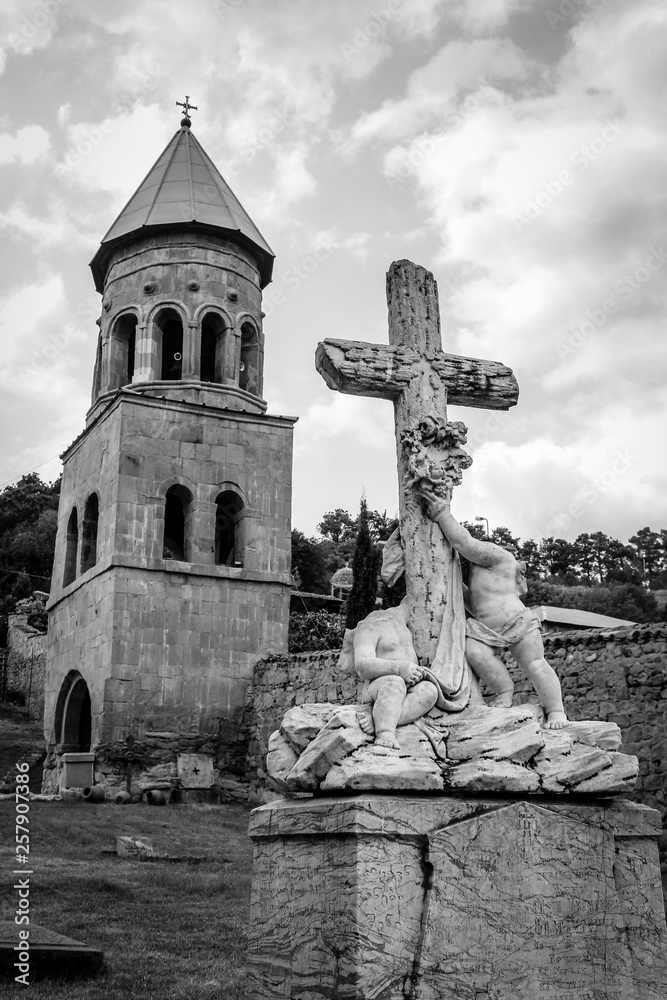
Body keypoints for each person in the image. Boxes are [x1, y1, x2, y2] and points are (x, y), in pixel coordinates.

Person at [419, 484, 567, 729]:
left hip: (518, 622)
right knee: (474, 652)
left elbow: (465, 543)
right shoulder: (477, 574)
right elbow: (468, 600)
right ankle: (504, 690)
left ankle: (556, 711)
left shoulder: (499, 556)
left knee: (536, 665)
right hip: (486, 631)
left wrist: (442, 514)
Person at [347, 601, 439, 749]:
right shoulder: (369, 626)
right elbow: (361, 666)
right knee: (394, 683)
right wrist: (398, 669)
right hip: (379, 686)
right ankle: (385, 732)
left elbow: (416, 599)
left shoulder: (403, 621)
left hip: (409, 685)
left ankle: (381, 718)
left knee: (429, 690)